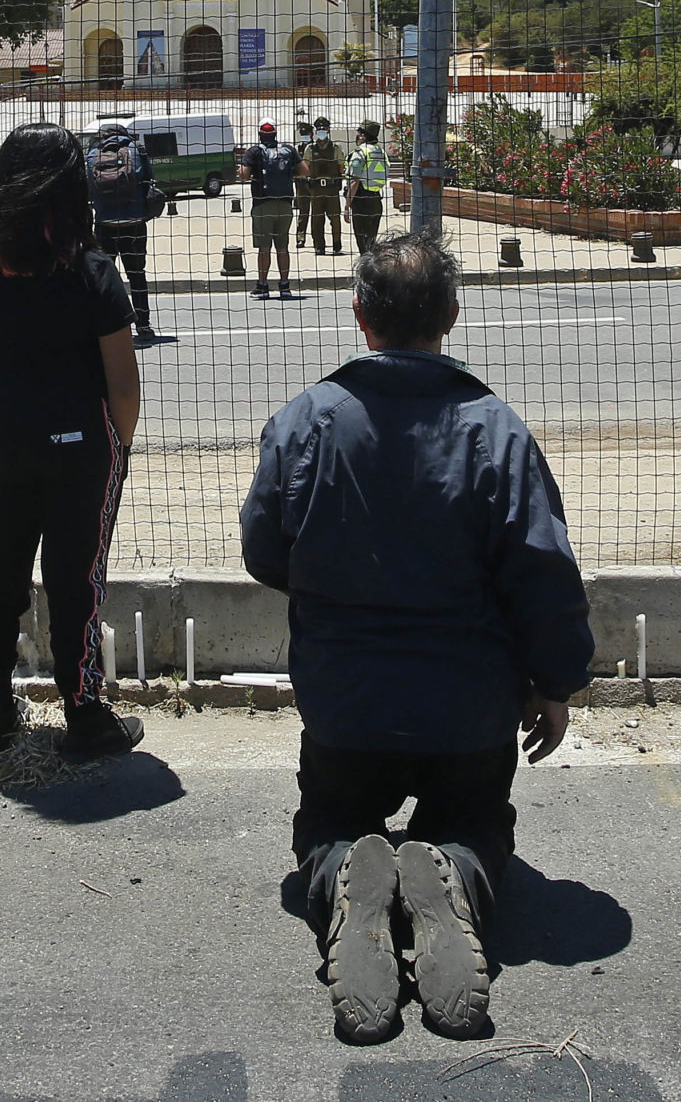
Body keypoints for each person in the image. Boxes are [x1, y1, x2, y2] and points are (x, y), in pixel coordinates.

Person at [241, 234, 593, 1043]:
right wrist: (555, 681)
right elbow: (541, 570)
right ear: (452, 316)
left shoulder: (306, 421)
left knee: (327, 819)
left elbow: (264, 549)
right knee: (475, 821)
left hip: (346, 706)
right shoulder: (494, 430)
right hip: (467, 712)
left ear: (360, 315)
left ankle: (340, 876)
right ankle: (457, 872)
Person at [0, 123, 147, 766]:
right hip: (79, 446)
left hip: (3, 444)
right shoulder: (90, 272)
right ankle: (84, 714)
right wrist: (116, 446)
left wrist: (1, 430)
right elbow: (123, 381)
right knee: (75, 578)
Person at [85, 120, 159, 341]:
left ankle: (101, 324)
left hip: (105, 226)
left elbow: (88, 188)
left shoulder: (92, 155)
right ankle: (143, 325)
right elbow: (150, 179)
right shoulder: (137, 150)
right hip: (134, 223)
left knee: (102, 276)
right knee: (137, 275)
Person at [238, 119, 300, 299]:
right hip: (285, 203)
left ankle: (263, 285)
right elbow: (304, 170)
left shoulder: (255, 151)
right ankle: (284, 286)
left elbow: (244, 174)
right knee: (283, 247)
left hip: (263, 204)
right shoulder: (288, 150)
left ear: (260, 134)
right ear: (275, 133)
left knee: (264, 248)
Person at [303, 117, 346, 255]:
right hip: (316, 189)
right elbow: (306, 168)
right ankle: (319, 246)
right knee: (317, 219)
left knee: (335, 218)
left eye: (324, 128)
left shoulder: (336, 148)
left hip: (332, 188)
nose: (322, 131)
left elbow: (341, 167)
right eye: (319, 129)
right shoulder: (310, 149)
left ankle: (337, 243)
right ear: (315, 131)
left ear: (329, 130)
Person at [346, 121, 389, 256]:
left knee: (363, 245)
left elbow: (355, 181)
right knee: (371, 242)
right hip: (376, 200)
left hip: (361, 201)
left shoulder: (361, 152)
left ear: (363, 136)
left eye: (359, 134)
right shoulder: (381, 152)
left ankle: (367, 273)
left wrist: (347, 206)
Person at [291, 116, 317, 249]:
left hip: (315, 183)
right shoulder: (296, 149)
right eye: (302, 134)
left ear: (311, 134)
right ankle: (300, 238)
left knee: (316, 213)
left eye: (306, 134)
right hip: (301, 184)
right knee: (303, 212)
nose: (304, 136)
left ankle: (317, 238)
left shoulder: (316, 148)